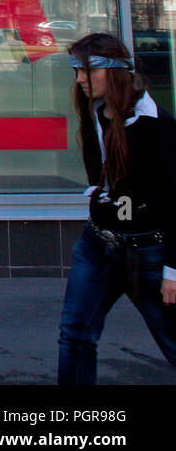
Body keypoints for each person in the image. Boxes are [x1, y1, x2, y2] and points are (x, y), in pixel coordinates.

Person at [58, 32, 176, 385]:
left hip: (148, 254)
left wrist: (172, 270)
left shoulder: (156, 126)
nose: (78, 80)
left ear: (114, 72)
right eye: (76, 70)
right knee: (75, 336)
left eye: (86, 71)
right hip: (96, 245)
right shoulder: (95, 113)